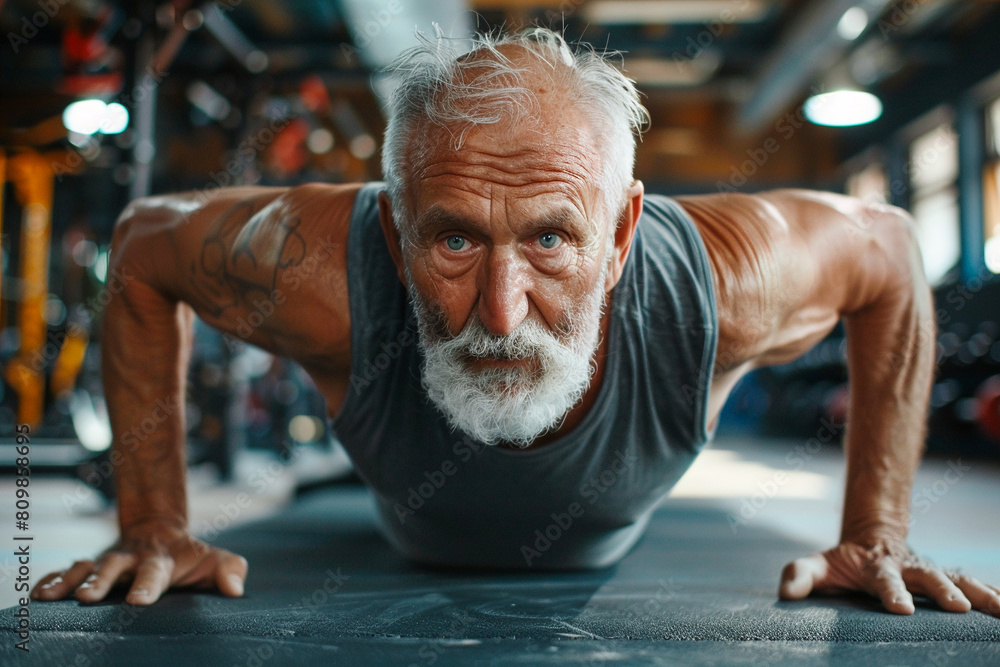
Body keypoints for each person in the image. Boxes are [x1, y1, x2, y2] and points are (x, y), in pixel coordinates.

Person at [31, 29, 1000, 617]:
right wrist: (153, 521)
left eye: (549, 241)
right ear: (393, 223)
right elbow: (145, 242)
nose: (500, 313)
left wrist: (875, 532)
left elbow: (891, 247)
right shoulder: (330, 273)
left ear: (621, 234)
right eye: (453, 242)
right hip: (396, 520)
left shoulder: (726, 284)